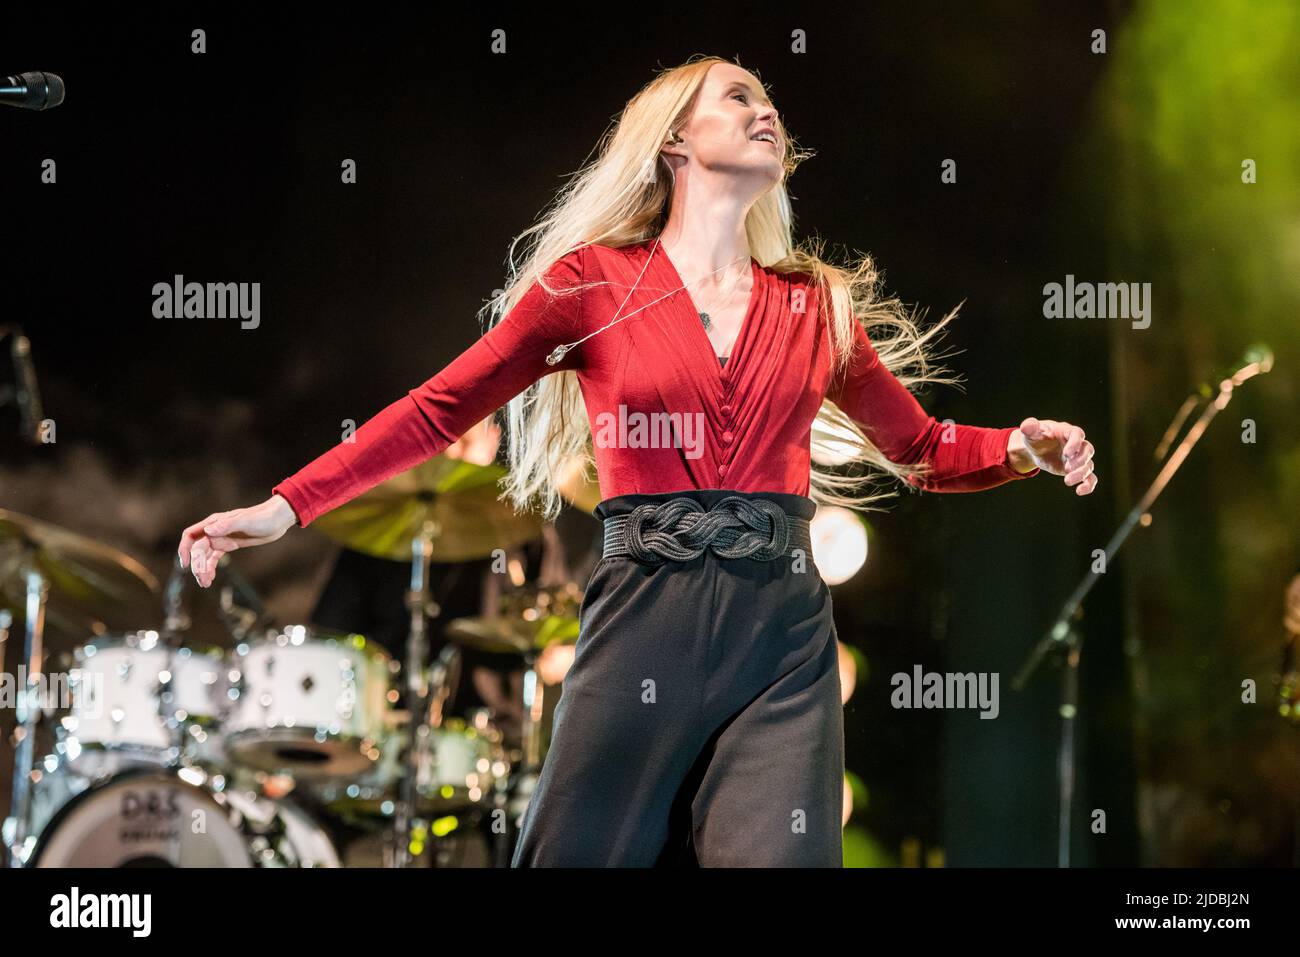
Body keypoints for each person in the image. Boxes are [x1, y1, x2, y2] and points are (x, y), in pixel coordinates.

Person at [178, 56, 1098, 867]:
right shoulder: (591, 285)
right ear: (675, 143)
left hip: (782, 632)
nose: (763, 111)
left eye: (767, 100)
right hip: (644, 619)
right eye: (737, 99)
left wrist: (1018, 447)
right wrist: (284, 507)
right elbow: (438, 409)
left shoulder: (816, 305)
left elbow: (925, 450)